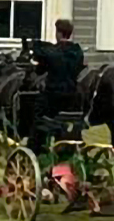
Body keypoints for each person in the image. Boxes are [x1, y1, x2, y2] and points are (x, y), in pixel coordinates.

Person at [28, 19, 86, 150]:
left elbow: (40, 70)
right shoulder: (78, 52)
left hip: (53, 97)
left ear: (58, 33)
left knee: (36, 112)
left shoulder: (51, 52)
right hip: (73, 96)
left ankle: (35, 145)